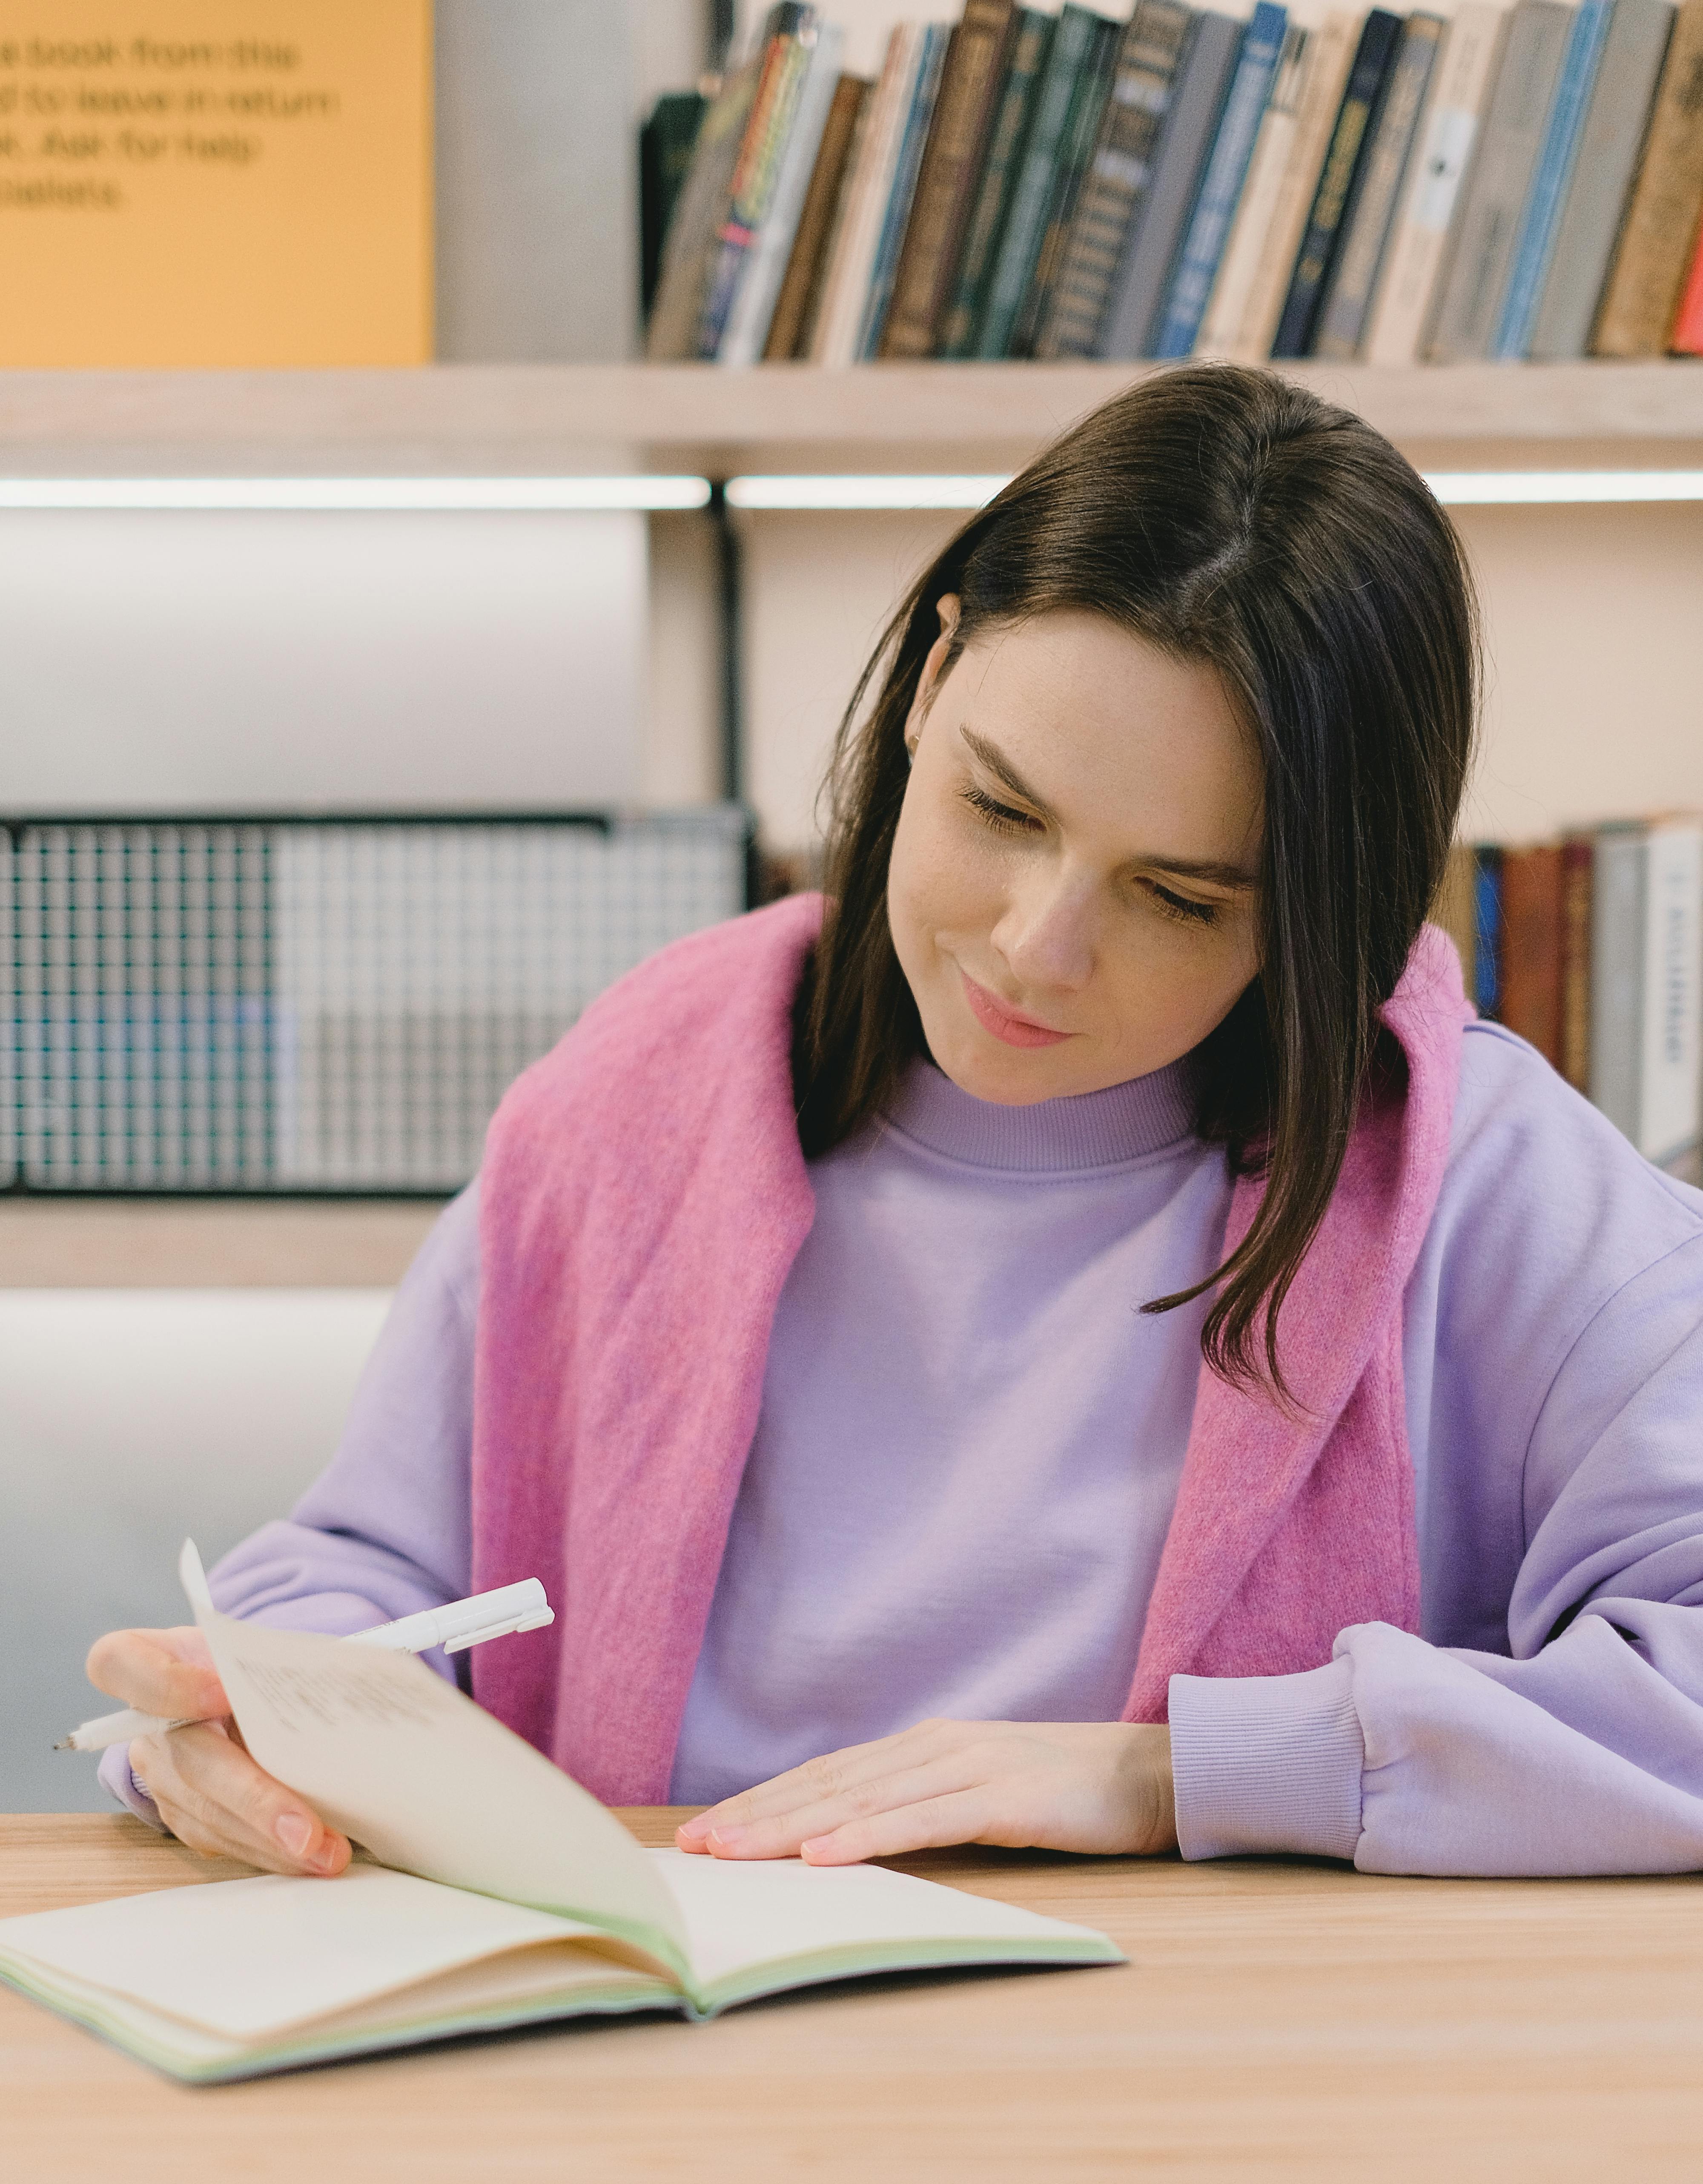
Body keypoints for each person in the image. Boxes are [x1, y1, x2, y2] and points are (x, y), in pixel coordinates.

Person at [88, 364, 1703, 1883]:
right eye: (1003, 811)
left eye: (1178, 898)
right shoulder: (646, 1088)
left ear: (1318, 915)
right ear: (932, 681)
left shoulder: (1486, 1184)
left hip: (1205, 2078)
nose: (1034, 947)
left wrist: (1176, 1777)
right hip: (667, 2028)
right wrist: (253, 1712)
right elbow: (368, 1569)